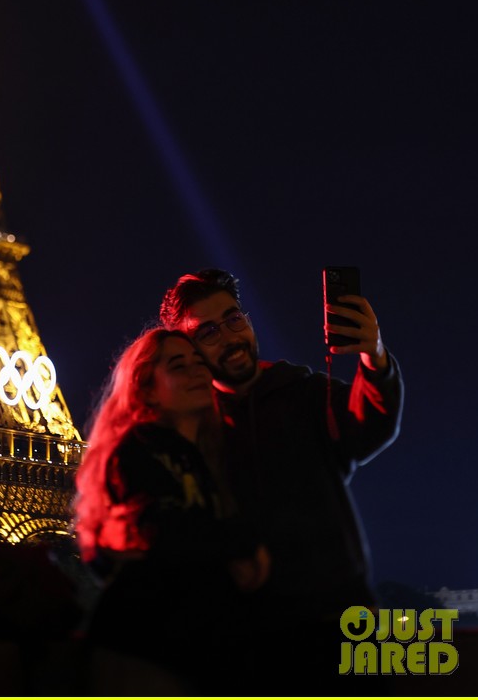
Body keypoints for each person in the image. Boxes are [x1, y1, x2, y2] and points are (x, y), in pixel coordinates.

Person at [159, 267, 404, 691]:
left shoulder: (304, 393)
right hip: (245, 643)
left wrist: (375, 358)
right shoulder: (187, 429)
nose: (231, 336)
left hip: (335, 624)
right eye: (209, 332)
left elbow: (371, 424)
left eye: (234, 318)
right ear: (189, 351)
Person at [73, 327, 269, 694]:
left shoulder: (207, 459)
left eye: (200, 363)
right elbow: (162, 527)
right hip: (143, 645)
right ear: (146, 389)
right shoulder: (137, 447)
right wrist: (241, 545)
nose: (198, 372)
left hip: (184, 648)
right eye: (178, 366)